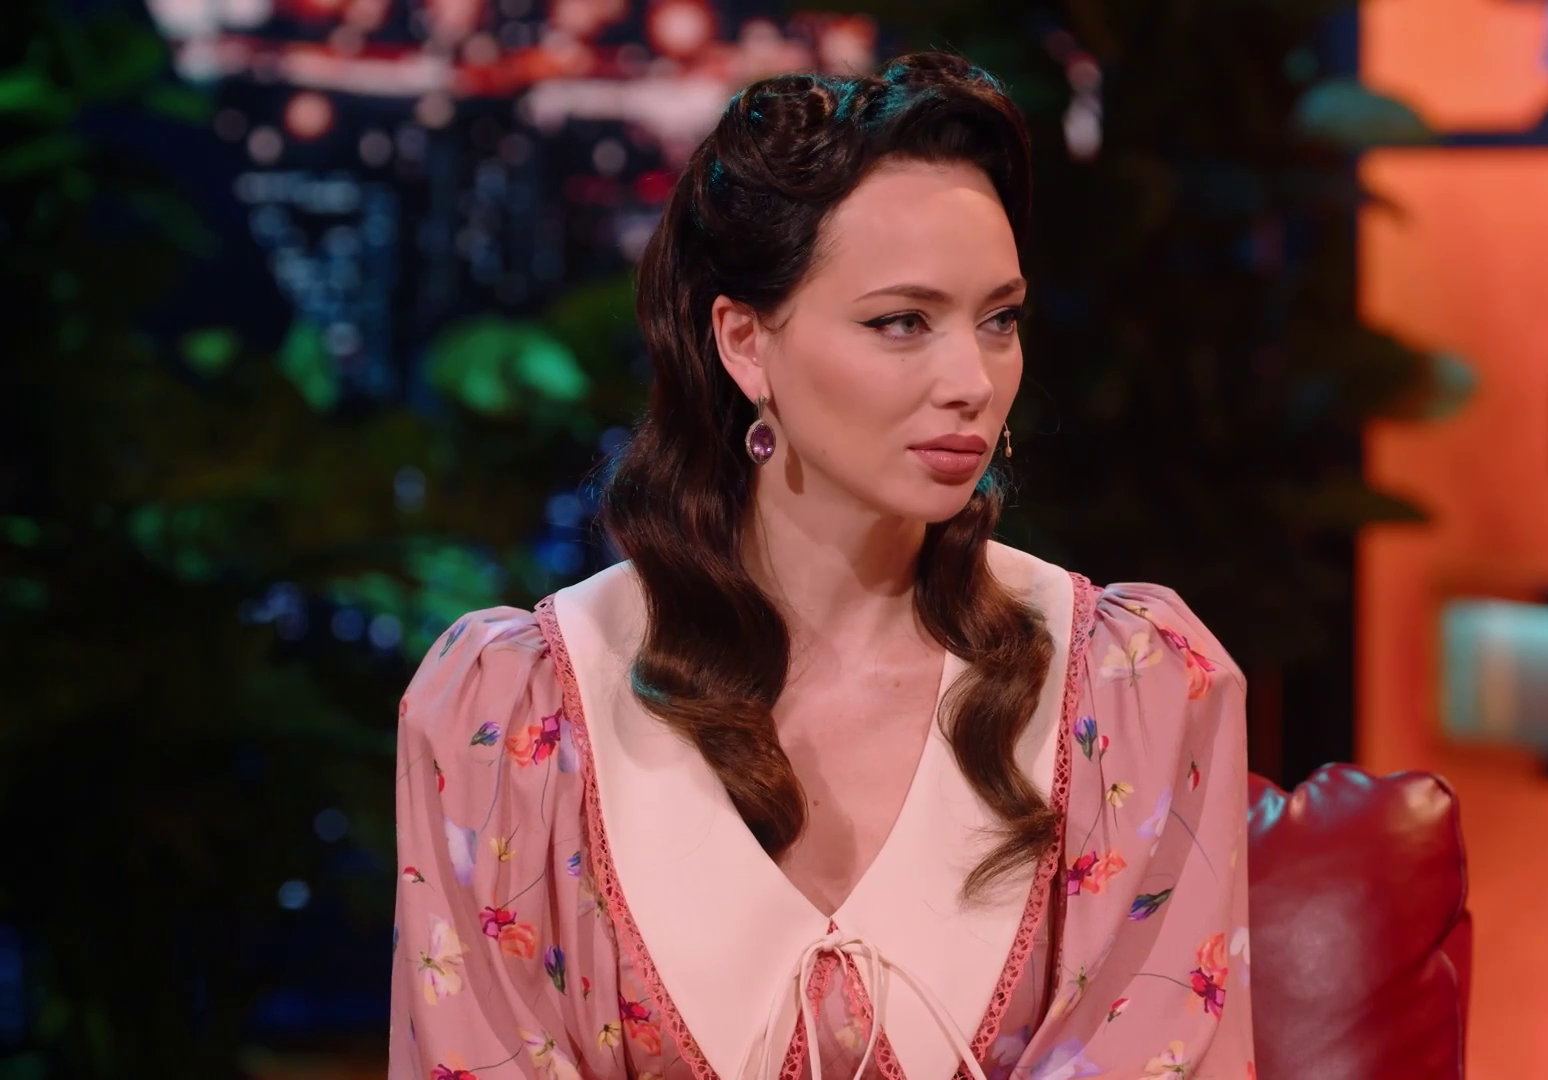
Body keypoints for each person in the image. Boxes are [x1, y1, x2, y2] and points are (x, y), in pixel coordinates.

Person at [389, 52, 1255, 1080]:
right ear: (745, 342)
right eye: (902, 323)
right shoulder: (516, 719)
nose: (973, 381)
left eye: (999, 320)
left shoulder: (1129, 690)